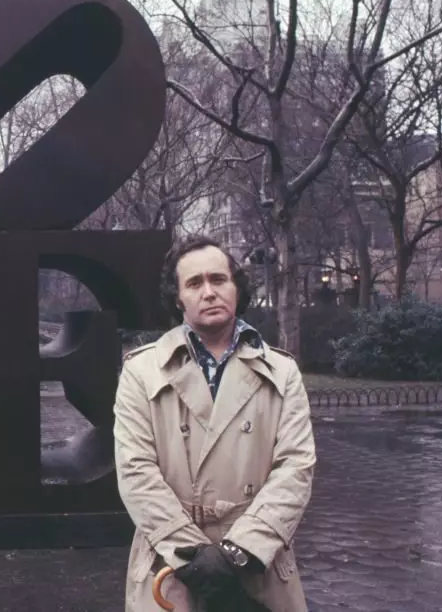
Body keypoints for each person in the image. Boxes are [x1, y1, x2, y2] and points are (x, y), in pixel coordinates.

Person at [114, 235, 316, 611]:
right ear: (178, 298)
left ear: (236, 287)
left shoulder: (283, 371)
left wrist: (239, 552)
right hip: (171, 567)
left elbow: (295, 468)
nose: (209, 292)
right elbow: (135, 471)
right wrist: (194, 559)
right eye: (194, 283)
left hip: (258, 566)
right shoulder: (140, 372)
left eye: (218, 279)